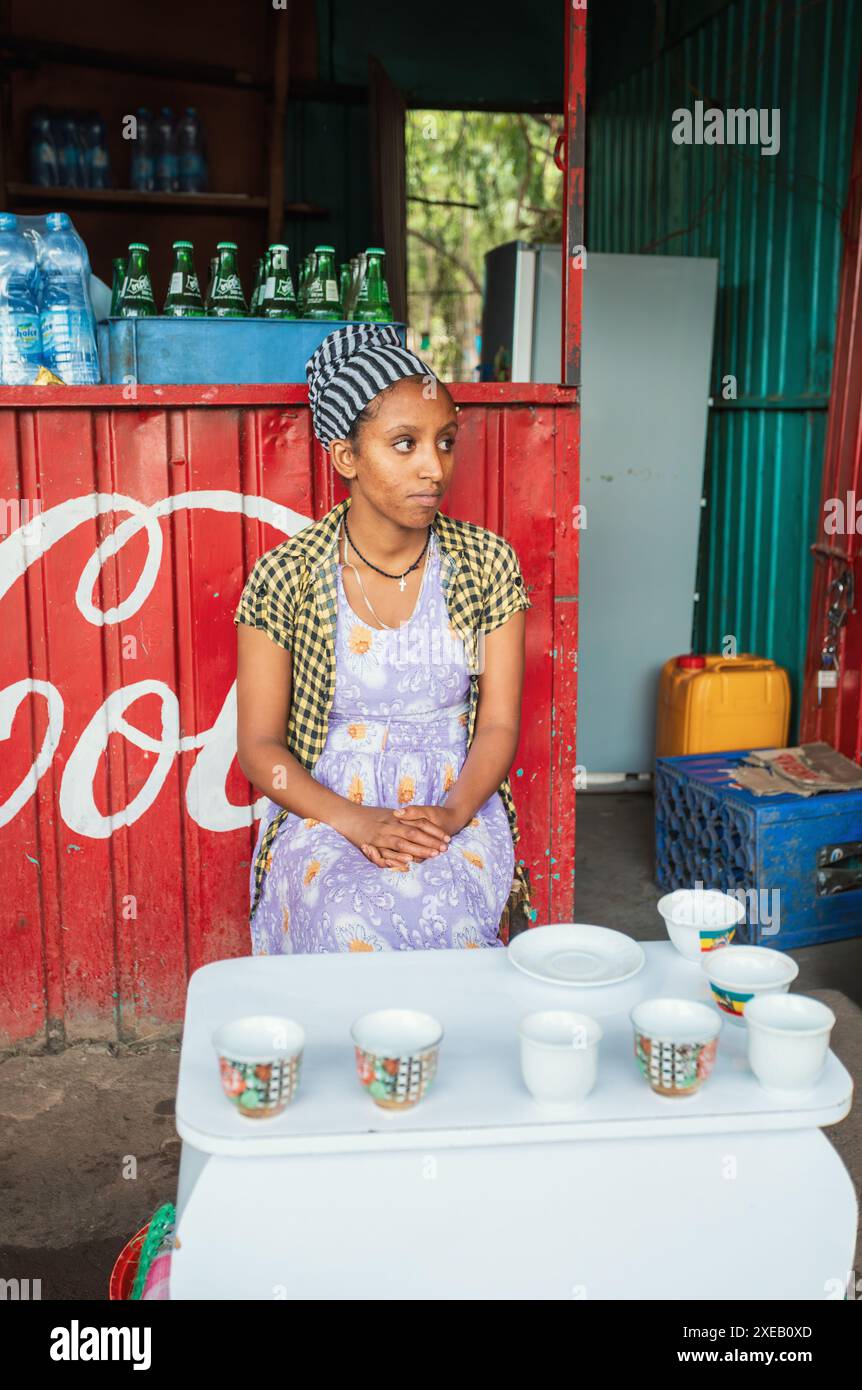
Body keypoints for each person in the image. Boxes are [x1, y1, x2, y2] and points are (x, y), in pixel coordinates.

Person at [234, 322, 532, 954]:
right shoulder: (286, 575)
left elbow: (499, 727)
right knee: (349, 924)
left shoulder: (486, 564)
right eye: (405, 444)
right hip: (328, 808)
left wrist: (451, 816)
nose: (434, 467)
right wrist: (355, 820)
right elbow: (261, 749)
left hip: (452, 802)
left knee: (450, 923)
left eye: (445, 442)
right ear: (346, 456)